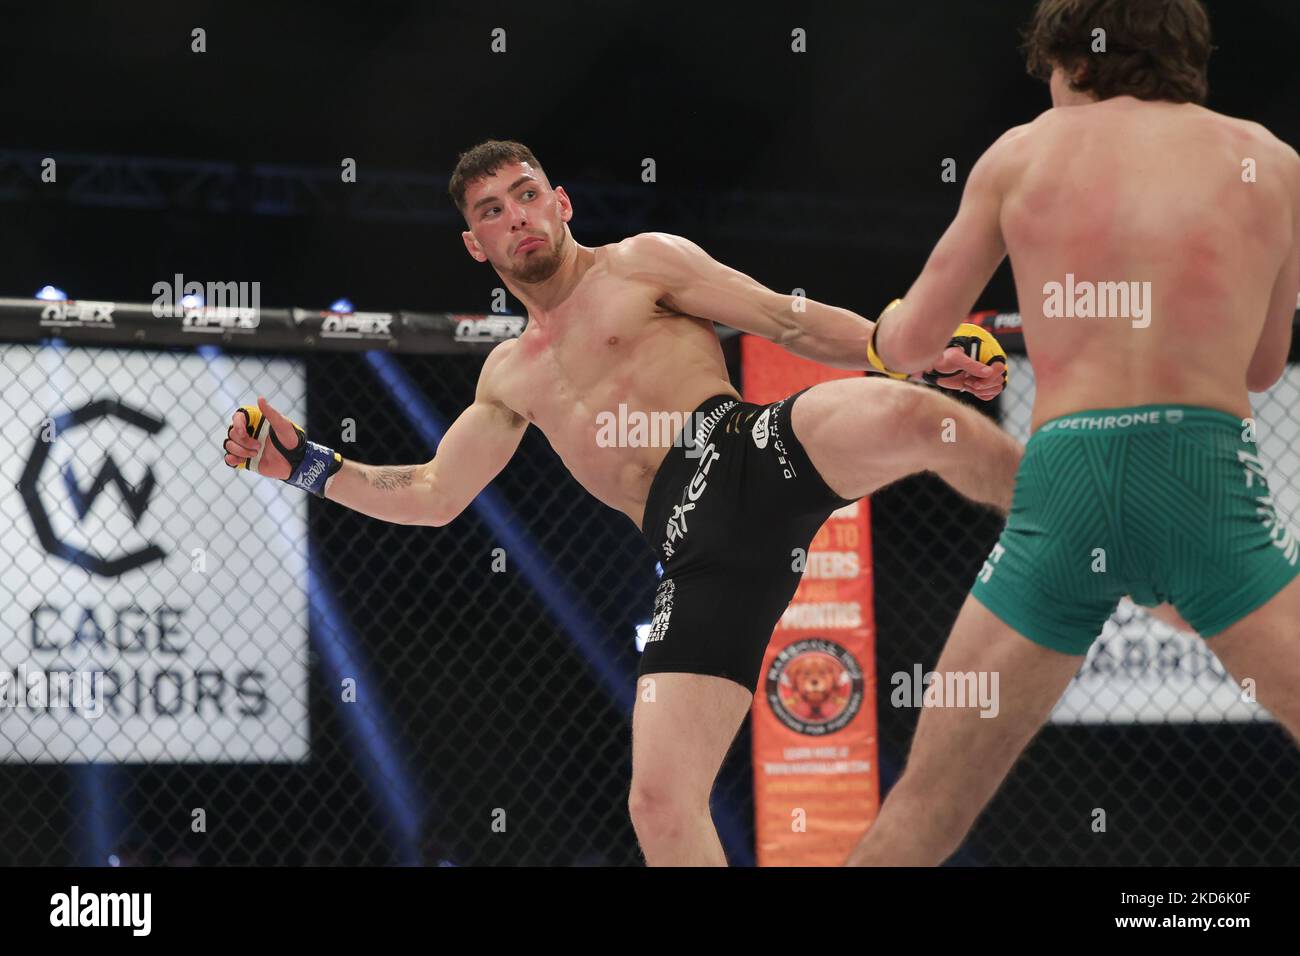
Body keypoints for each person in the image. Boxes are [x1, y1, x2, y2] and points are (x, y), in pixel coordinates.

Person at [220, 139, 1020, 866]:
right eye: (492, 211)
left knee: (915, 417)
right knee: (660, 804)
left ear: (561, 202)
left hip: (749, 451)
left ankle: (1072, 515)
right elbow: (434, 493)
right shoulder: (508, 375)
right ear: (476, 244)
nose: (517, 217)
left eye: (527, 194)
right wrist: (308, 467)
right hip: (694, 556)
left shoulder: (644, 263)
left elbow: (785, 317)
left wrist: (911, 354)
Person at [846, 0, 1300, 866]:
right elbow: (1262, 367)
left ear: (1079, 64)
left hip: (1064, 494)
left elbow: (907, 346)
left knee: (924, 813)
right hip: (1205, 486)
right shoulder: (1270, 162)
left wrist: (885, 332)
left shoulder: (1022, 154)